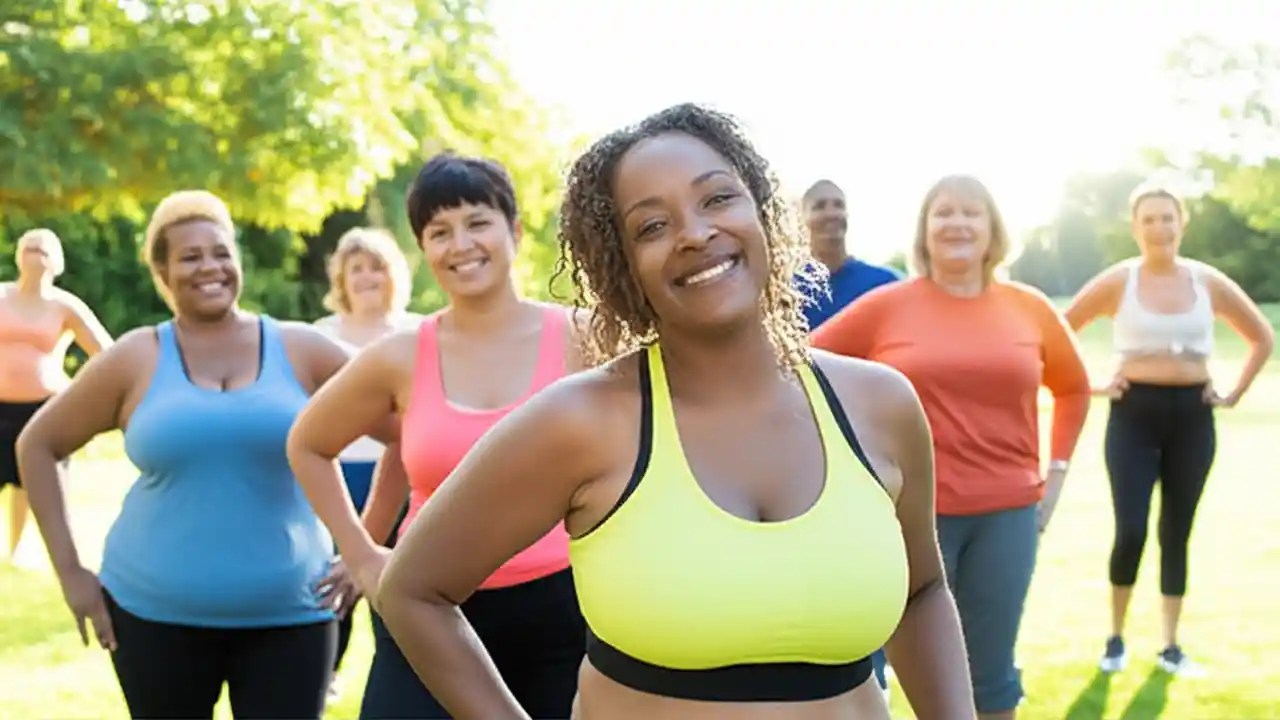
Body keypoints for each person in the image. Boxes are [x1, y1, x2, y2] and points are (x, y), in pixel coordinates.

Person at [375, 103, 976, 720]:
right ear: (621, 265)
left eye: (717, 199)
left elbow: (921, 591)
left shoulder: (881, 405)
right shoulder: (582, 422)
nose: (694, 233)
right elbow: (413, 591)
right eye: (652, 227)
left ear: (765, 212)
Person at [16, 190, 369, 720]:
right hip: (152, 615)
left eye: (221, 253)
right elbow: (37, 445)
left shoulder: (302, 348)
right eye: (190, 256)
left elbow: (406, 416)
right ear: (162, 273)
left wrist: (365, 548)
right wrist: (70, 573)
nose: (211, 267)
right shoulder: (133, 357)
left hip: (293, 612)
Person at [286, 152, 590, 720]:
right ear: (424, 251)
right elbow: (307, 443)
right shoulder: (398, 357)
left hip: (562, 618)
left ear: (514, 231)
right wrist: (361, 557)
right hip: (426, 612)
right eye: (439, 231)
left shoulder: (583, 336)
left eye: (478, 222)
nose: (461, 244)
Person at [812, 174, 1091, 720]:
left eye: (971, 213)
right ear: (924, 230)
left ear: (992, 230)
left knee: (989, 678)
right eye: (944, 213)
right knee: (876, 674)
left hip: (1004, 517)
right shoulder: (886, 305)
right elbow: (800, 366)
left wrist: (1055, 474)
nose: (957, 223)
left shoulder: (1028, 308)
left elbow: (1074, 387)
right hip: (904, 519)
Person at [1063, 182, 1275, 675]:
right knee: (1132, 529)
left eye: (1168, 217)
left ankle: (1170, 646)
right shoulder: (1121, 281)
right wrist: (1093, 386)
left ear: (1182, 223)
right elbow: (1056, 332)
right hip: (1134, 415)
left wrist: (1233, 394)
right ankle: (1115, 639)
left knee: (1176, 532)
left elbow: (1261, 337)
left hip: (1192, 418)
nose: (1160, 227)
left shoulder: (1207, 283)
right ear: (1136, 228)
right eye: (1149, 219)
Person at [313, 226, 424, 688]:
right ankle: (324, 669)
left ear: (393, 273)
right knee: (333, 576)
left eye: (376, 266)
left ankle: (405, 664)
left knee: (394, 577)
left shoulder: (419, 331)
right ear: (341, 280)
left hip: (408, 475)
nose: (366, 277)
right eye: (355, 269)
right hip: (338, 473)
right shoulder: (320, 335)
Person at [1, 228, 111, 563]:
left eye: (44, 250)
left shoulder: (65, 306)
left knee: (28, 482)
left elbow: (107, 353)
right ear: (19, 256)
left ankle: (14, 552)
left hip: (41, 408)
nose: (36, 254)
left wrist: (81, 393)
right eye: (30, 248)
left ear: (56, 263)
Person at [796, 180, 902, 330]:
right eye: (819, 206)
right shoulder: (787, 291)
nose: (831, 214)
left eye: (839, 205)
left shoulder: (885, 284)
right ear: (801, 219)